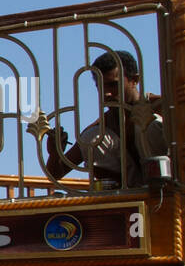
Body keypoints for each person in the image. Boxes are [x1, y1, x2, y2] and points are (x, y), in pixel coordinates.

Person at [44, 51, 165, 188]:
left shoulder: (162, 108)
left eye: (113, 85)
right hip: (130, 199)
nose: (106, 93)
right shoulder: (103, 125)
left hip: (171, 194)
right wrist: (54, 153)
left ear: (134, 80)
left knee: (149, 124)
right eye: (100, 86)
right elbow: (55, 173)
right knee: (93, 137)